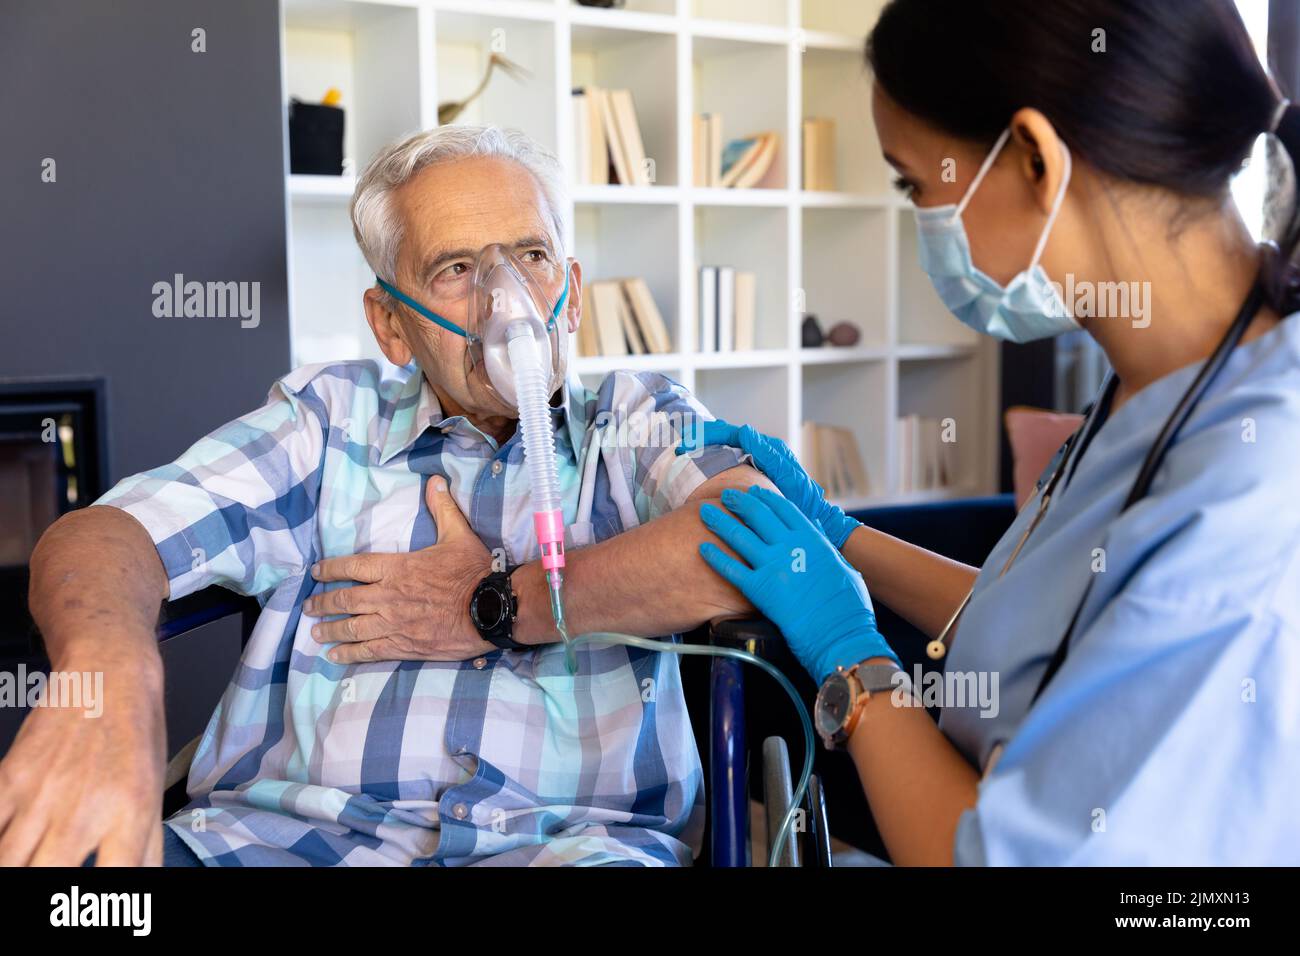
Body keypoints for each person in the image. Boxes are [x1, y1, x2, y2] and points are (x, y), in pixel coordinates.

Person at [7, 125, 771, 866]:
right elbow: (105, 535)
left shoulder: (635, 424)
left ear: (569, 295)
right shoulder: (327, 425)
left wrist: (496, 605)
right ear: (392, 325)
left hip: (568, 847)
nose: (504, 300)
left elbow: (760, 538)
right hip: (282, 844)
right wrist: (111, 677)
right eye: (456, 269)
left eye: (531, 255)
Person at [682, 0, 1300, 864]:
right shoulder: (1153, 388)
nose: (922, 219)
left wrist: (854, 666)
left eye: (916, 184)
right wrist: (840, 536)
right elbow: (1048, 621)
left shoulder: (1251, 487)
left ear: (1036, 160)